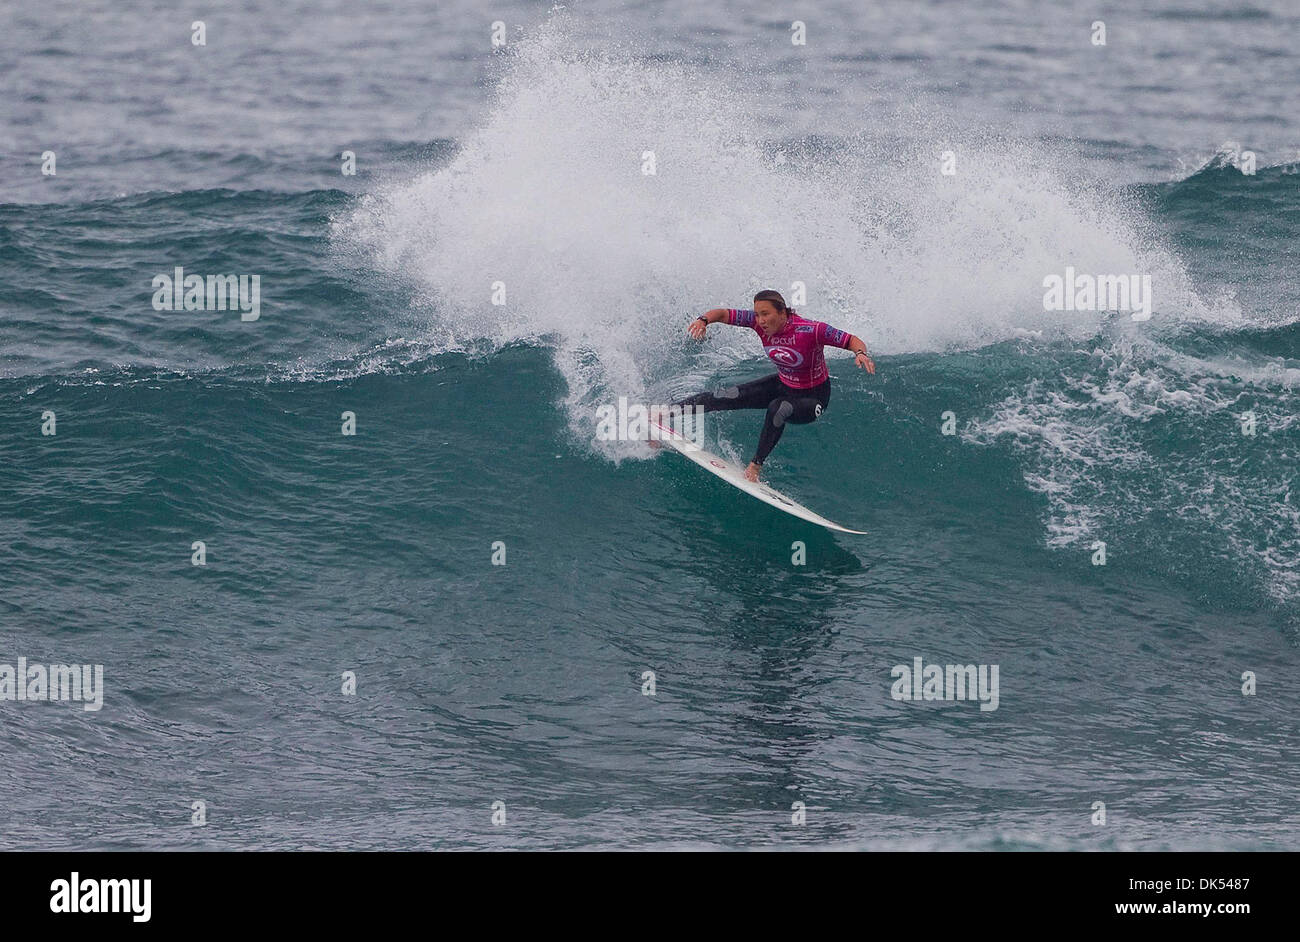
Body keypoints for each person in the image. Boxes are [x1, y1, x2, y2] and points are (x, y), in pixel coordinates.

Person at [669, 290, 875, 482]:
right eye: (757, 314)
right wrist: (703, 320)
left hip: (813, 398)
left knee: (779, 408)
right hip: (783, 384)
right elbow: (723, 314)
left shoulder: (812, 330)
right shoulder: (758, 323)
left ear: (783, 312)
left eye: (766, 314)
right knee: (725, 395)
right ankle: (665, 414)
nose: (760, 320)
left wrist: (860, 354)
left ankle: (755, 466)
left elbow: (851, 340)